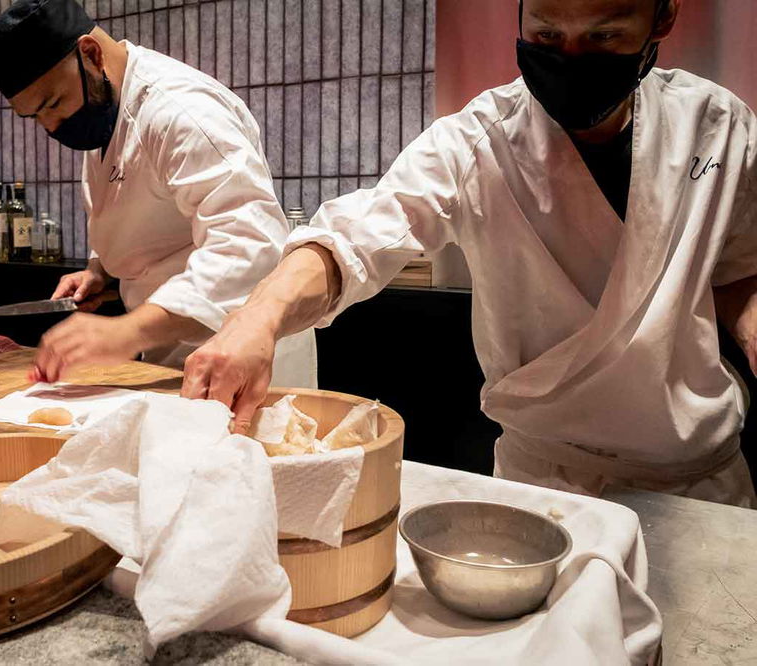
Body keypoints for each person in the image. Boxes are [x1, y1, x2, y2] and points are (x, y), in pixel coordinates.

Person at [182, 0, 757, 508]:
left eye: (604, 37)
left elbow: (739, 269)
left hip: (697, 479)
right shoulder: (479, 138)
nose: (572, 56)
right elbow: (363, 231)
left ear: (662, 17)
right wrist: (257, 318)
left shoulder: (719, 125)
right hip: (550, 481)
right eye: (547, 35)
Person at [0, 0, 317, 387]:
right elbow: (140, 215)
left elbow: (250, 248)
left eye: (52, 103)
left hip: (240, 355)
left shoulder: (181, 110)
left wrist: (127, 331)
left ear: (91, 53)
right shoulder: (106, 108)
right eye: (34, 116)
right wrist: (100, 271)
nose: (51, 125)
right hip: (171, 354)